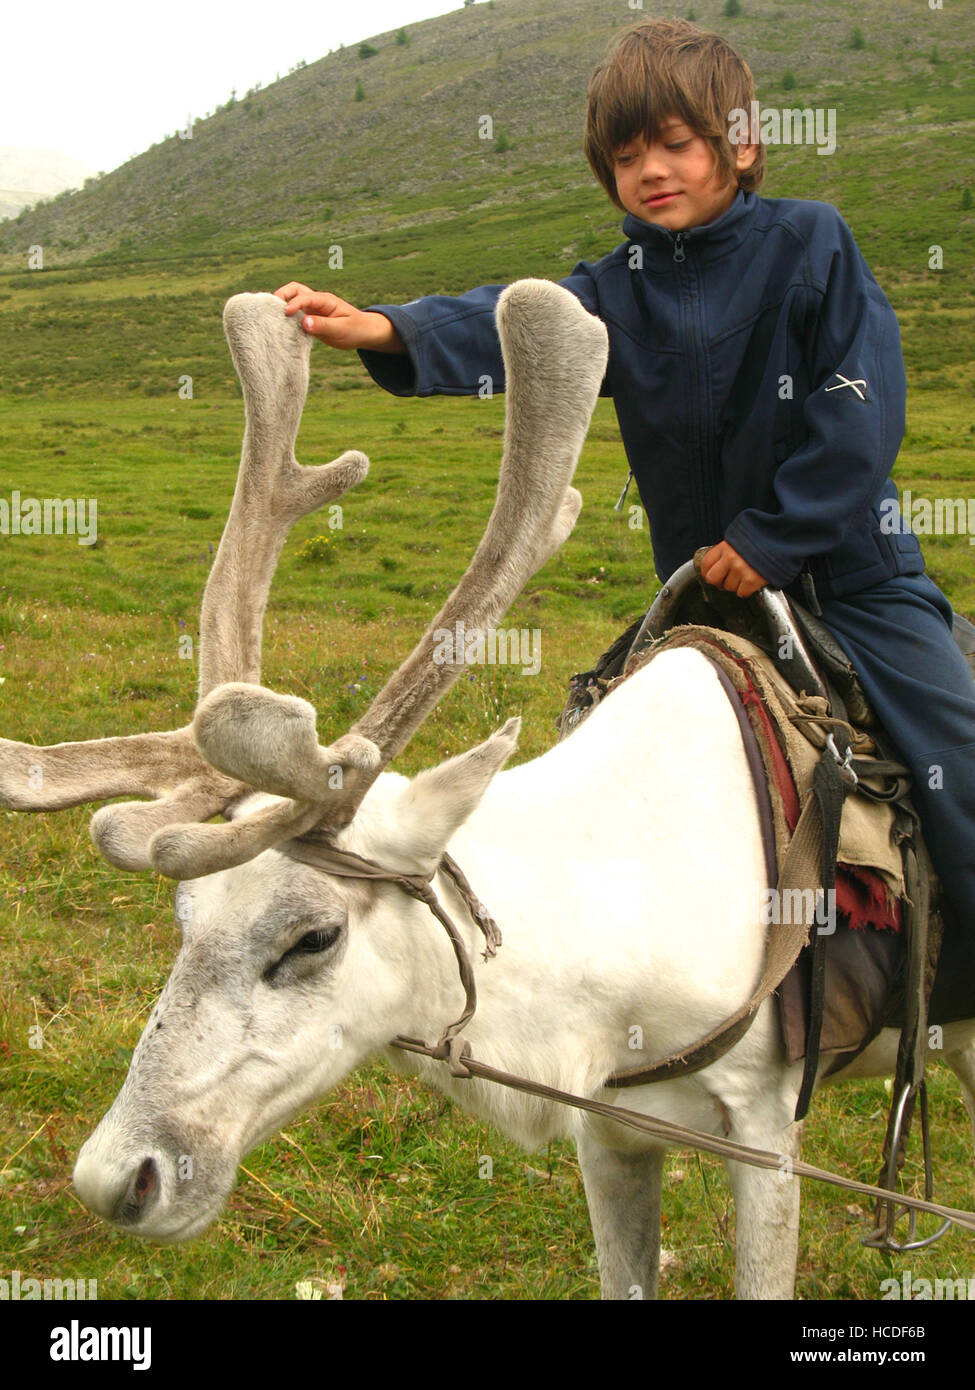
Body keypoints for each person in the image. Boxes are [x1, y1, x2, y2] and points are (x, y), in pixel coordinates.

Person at [274, 18, 975, 1015]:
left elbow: (864, 409)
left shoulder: (811, 242)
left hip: (855, 586)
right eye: (626, 154)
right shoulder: (617, 288)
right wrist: (388, 328)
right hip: (704, 600)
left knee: (962, 765)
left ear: (738, 144)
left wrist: (774, 537)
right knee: (596, 762)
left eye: (675, 144)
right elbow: (513, 328)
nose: (650, 170)